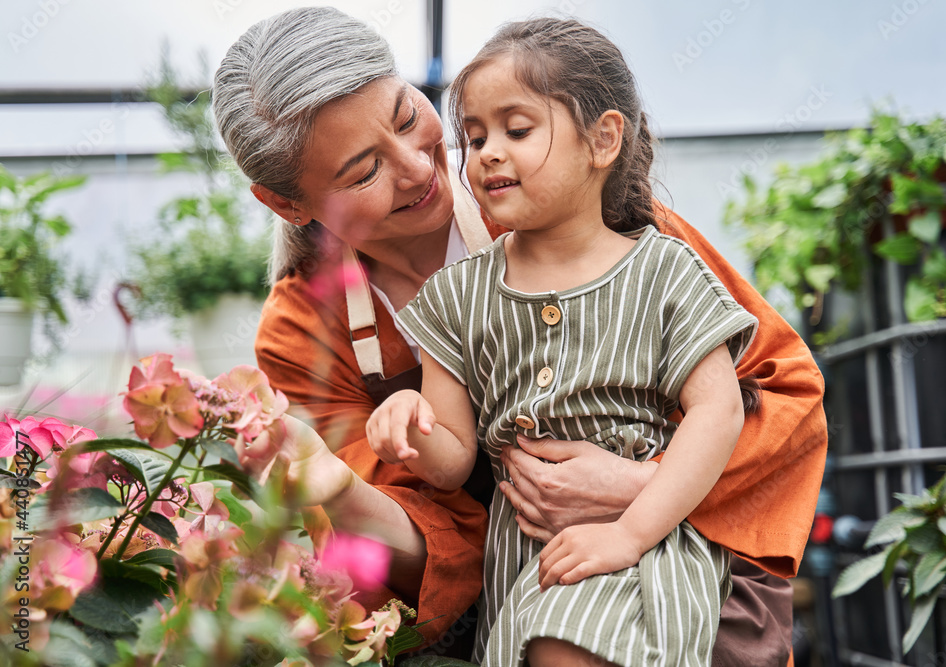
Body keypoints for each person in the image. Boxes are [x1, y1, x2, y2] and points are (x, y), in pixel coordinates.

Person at [211, 6, 827, 665]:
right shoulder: (305, 329)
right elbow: (433, 537)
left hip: (682, 557)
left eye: (404, 116)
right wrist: (333, 485)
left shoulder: (564, 207)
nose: (419, 168)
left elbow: (785, 396)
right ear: (286, 203)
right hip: (509, 597)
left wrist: (642, 485)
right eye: (364, 171)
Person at [365, 18, 762, 666]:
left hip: (645, 545)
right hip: (525, 558)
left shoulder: (664, 268)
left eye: (516, 130)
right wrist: (408, 425)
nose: (488, 151)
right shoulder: (456, 297)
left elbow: (718, 413)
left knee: (565, 641)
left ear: (602, 140)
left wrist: (630, 534)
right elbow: (453, 460)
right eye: (474, 137)